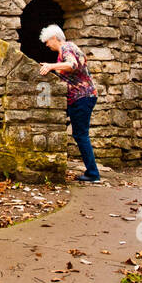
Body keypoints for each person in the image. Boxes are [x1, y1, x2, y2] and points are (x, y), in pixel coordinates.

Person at [38, 23, 101, 184]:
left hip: (82, 97)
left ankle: (93, 174)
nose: (46, 45)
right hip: (76, 99)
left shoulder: (67, 47)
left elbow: (72, 65)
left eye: (47, 41)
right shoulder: (62, 53)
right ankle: (91, 171)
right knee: (78, 134)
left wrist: (51, 66)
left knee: (81, 134)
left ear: (54, 38)